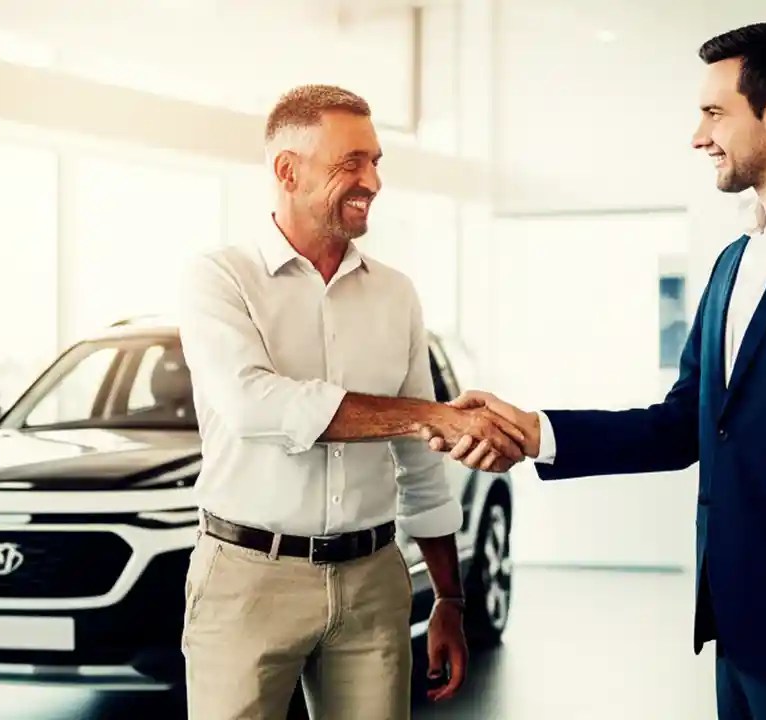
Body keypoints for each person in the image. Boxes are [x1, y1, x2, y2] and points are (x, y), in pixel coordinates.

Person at [428, 21, 766, 720]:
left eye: (713, 113)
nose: (698, 136)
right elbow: (684, 426)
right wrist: (533, 432)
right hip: (737, 633)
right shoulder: (735, 262)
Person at [177, 84, 524, 720]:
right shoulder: (220, 278)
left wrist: (449, 599)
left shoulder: (396, 294)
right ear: (287, 169)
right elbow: (256, 405)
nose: (373, 180)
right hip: (249, 578)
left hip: (374, 582)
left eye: (376, 161)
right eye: (352, 162)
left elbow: (421, 466)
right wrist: (432, 415)